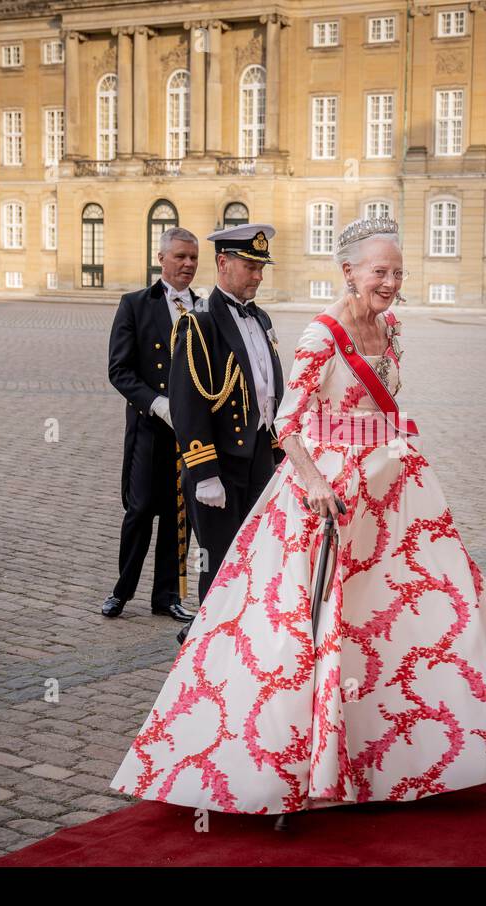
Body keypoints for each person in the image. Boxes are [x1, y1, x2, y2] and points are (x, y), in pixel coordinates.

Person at [109, 217, 486, 817]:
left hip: (395, 489)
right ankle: (302, 758)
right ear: (349, 273)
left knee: (421, 611)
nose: (391, 282)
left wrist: (397, 449)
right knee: (316, 625)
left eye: (398, 271)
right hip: (332, 493)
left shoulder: (392, 328)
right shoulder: (320, 336)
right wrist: (314, 480)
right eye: (380, 272)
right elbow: (289, 423)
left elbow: (385, 402)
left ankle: (413, 753)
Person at [168, 223, 286, 644]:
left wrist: (277, 451)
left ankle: (240, 643)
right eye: (250, 266)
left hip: (257, 459)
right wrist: (204, 473)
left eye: (261, 267)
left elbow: (269, 391)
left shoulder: (262, 318)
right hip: (219, 465)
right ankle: (205, 645)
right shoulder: (198, 325)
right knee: (219, 564)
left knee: (255, 558)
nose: (258, 275)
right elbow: (188, 406)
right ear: (223, 263)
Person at [100, 227, 198, 624]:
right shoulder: (135, 304)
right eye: (180, 257)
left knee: (181, 514)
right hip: (148, 428)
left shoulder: (205, 309)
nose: (188, 264)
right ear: (161, 258)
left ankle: (168, 595)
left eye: (193, 257)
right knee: (139, 511)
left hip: (190, 434)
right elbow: (118, 370)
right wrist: (159, 404)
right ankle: (121, 591)